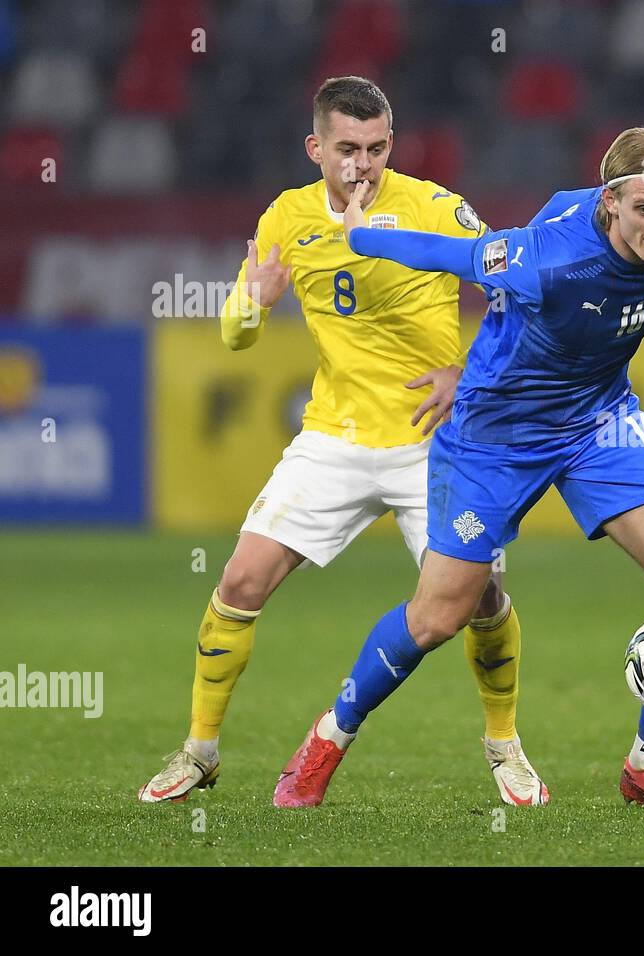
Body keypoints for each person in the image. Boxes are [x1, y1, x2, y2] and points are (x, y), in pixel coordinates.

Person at [276, 127, 644, 813]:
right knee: (438, 616)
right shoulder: (543, 259)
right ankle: (325, 741)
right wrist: (361, 234)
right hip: (495, 434)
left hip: (598, 422)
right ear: (611, 202)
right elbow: (442, 253)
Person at [138, 76, 548, 809]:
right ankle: (200, 750)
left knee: (483, 597)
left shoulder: (433, 207)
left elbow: (520, 291)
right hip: (336, 436)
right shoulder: (288, 217)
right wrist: (253, 307)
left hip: (437, 442)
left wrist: (466, 369)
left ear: (392, 143)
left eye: (377, 147)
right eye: (347, 149)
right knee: (240, 582)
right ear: (315, 147)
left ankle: (505, 746)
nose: (363, 164)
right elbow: (233, 332)